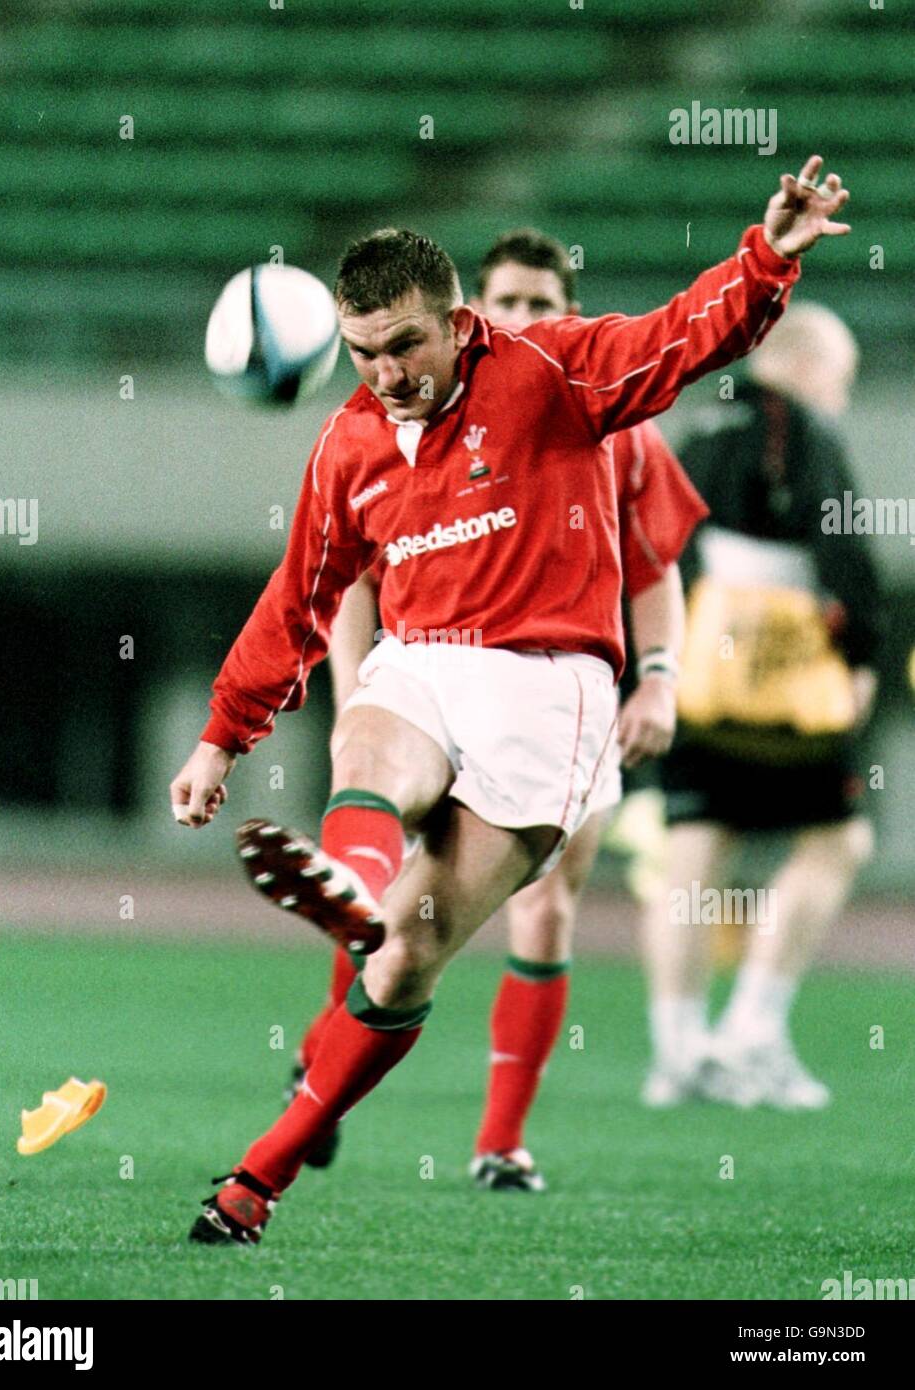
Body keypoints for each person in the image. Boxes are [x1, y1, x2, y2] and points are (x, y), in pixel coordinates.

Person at [171, 157, 850, 1245]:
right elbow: (297, 598)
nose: (385, 372)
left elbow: (685, 336)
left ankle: (262, 1173)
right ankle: (354, 872)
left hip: (549, 692)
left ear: (456, 324)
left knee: (401, 961)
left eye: (404, 347)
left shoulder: (550, 372)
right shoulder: (348, 443)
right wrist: (220, 737)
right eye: (361, 353)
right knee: (372, 726)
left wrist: (766, 255)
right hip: (426, 659)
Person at [288, 228, 706, 1192]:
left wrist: (660, 675)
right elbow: (347, 572)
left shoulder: (614, 419)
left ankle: (499, 1140)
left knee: (548, 907)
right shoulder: (405, 422)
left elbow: (654, 569)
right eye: (505, 301)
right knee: (384, 894)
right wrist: (363, 699)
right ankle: (318, 1061)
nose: (522, 317)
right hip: (434, 679)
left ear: (565, 305)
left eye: (540, 300)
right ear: (473, 309)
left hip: (559, 695)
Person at [640, 302, 881, 1110]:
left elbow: (646, 543)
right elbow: (840, 543)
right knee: (836, 842)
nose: (838, 398)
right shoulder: (799, 427)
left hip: (690, 665)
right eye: (838, 380)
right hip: (781, 670)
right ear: (808, 365)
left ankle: (676, 1053)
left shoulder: (697, 423)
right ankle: (750, 1027)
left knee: (692, 854)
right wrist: (860, 651)